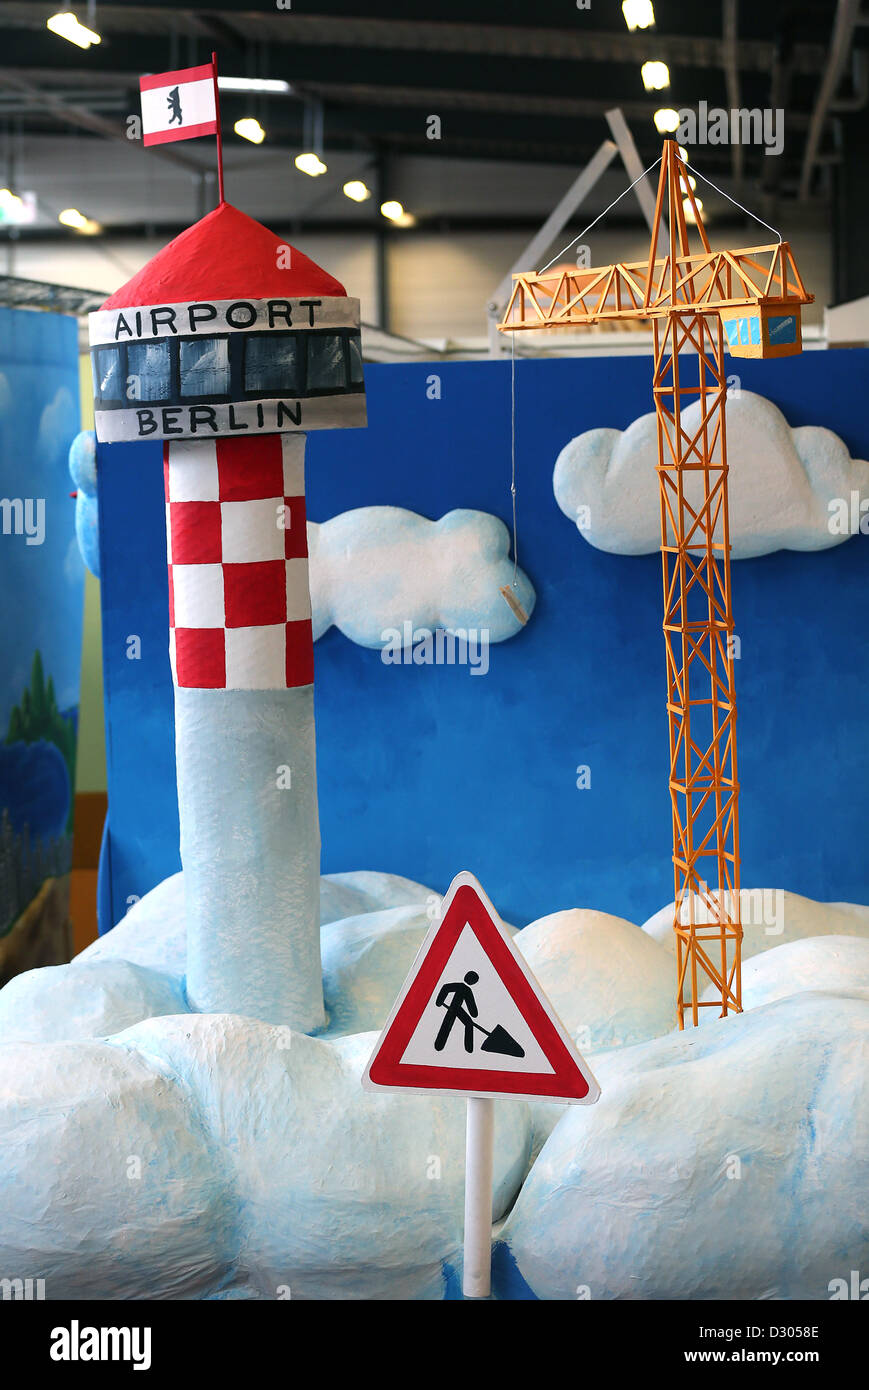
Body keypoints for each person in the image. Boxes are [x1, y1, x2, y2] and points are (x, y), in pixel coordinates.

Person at [434, 971, 480, 1053]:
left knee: (467, 1023)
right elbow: (473, 1010)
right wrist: (439, 1001)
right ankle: (468, 1047)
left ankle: (468, 1048)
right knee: (467, 1023)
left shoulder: (464, 988)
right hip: (454, 1008)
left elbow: (445, 988)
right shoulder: (465, 988)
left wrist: (439, 1002)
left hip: (456, 1008)